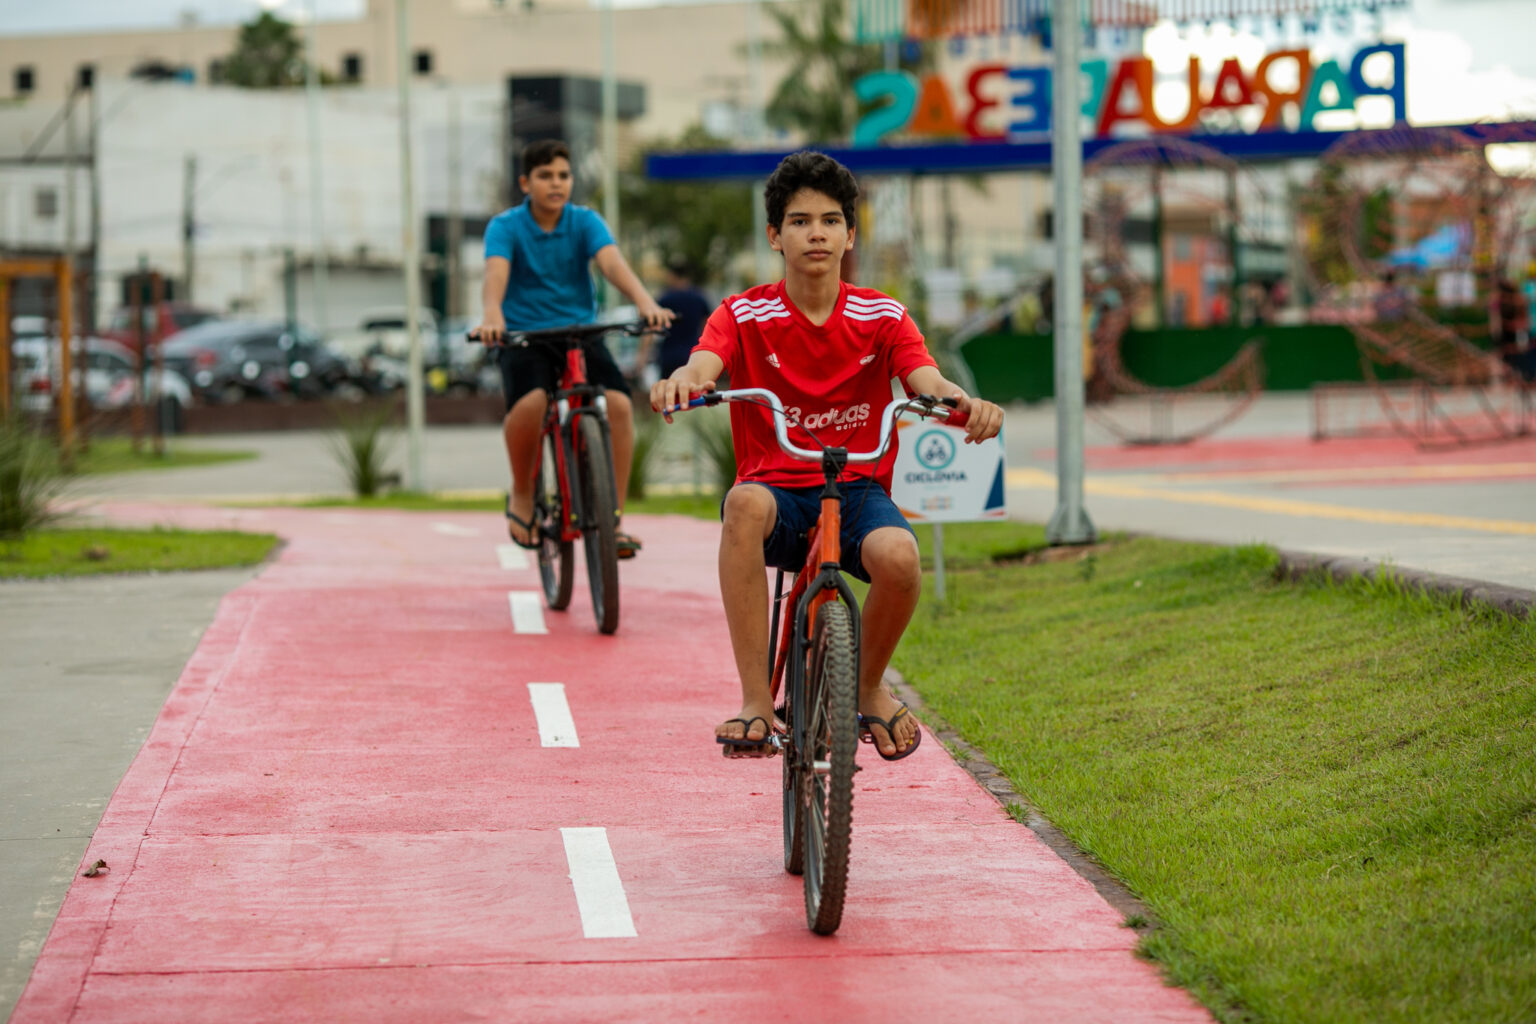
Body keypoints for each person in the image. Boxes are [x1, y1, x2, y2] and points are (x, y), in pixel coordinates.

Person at [650, 151, 1003, 760]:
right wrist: (685, 379)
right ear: (775, 236)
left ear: (849, 234)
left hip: (858, 489)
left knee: (898, 556)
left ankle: (867, 687)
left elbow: (926, 378)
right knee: (740, 505)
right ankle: (757, 701)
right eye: (800, 220)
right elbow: (704, 362)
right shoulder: (743, 313)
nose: (817, 232)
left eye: (832, 220)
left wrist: (961, 402)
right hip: (778, 492)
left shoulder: (883, 315)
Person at [475, 139, 673, 558]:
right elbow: (495, 273)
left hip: (581, 333)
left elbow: (611, 263)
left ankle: (613, 519)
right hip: (525, 337)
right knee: (529, 404)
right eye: (545, 176)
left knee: (618, 405)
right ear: (526, 182)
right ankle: (523, 493)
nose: (556, 183)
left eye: (563, 175)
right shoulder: (505, 227)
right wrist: (493, 314)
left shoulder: (584, 221)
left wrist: (645, 302)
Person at [643, 257, 712, 382]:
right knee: (694, 395)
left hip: (669, 355)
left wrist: (642, 355)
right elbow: (707, 325)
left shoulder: (666, 299)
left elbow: (652, 326)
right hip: (693, 354)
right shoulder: (699, 298)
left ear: (672, 275)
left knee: (669, 394)